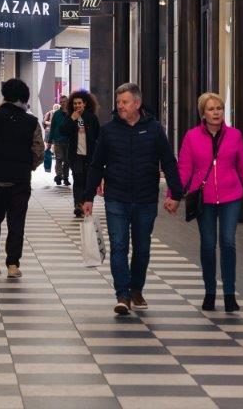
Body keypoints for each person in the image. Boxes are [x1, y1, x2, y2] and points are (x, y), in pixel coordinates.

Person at [82, 83, 182, 315]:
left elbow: (168, 162)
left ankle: (136, 288)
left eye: (124, 102)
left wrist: (175, 193)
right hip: (116, 197)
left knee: (142, 248)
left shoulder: (155, 129)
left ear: (137, 103)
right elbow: (97, 165)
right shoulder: (109, 131)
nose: (120, 106)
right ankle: (123, 295)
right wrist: (88, 197)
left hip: (146, 199)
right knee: (119, 246)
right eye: (118, 103)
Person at [170, 92, 243, 313]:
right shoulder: (192, 137)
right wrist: (173, 196)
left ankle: (230, 293)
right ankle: (210, 292)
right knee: (208, 244)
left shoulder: (234, 136)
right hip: (205, 199)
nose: (216, 112)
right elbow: (183, 170)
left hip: (231, 196)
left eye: (219, 108)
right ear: (203, 113)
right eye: (211, 109)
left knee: (228, 242)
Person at [0, 78, 44, 279]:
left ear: (5, 95)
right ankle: (13, 264)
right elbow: (39, 150)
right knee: (17, 222)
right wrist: (29, 166)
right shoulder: (32, 122)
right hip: (21, 180)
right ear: (24, 98)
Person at [61, 90, 100, 218]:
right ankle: (78, 205)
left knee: (88, 180)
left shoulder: (92, 117)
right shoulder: (70, 116)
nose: (77, 106)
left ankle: (86, 203)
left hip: (89, 155)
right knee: (78, 178)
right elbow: (63, 132)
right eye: (75, 103)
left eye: (79, 103)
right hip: (75, 155)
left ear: (85, 104)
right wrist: (72, 119)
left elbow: (98, 136)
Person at [47, 98, 70, 186]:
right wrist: (49, 141)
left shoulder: (71, 113)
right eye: (61, 102)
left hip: (68, 140)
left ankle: (66, 178)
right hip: (58, 139)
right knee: (59, 158)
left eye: (64, 101)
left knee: (67, 160)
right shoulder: (56, 114)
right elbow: (52, 127)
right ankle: (59, 176)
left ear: (67, 102)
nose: (62, 103)